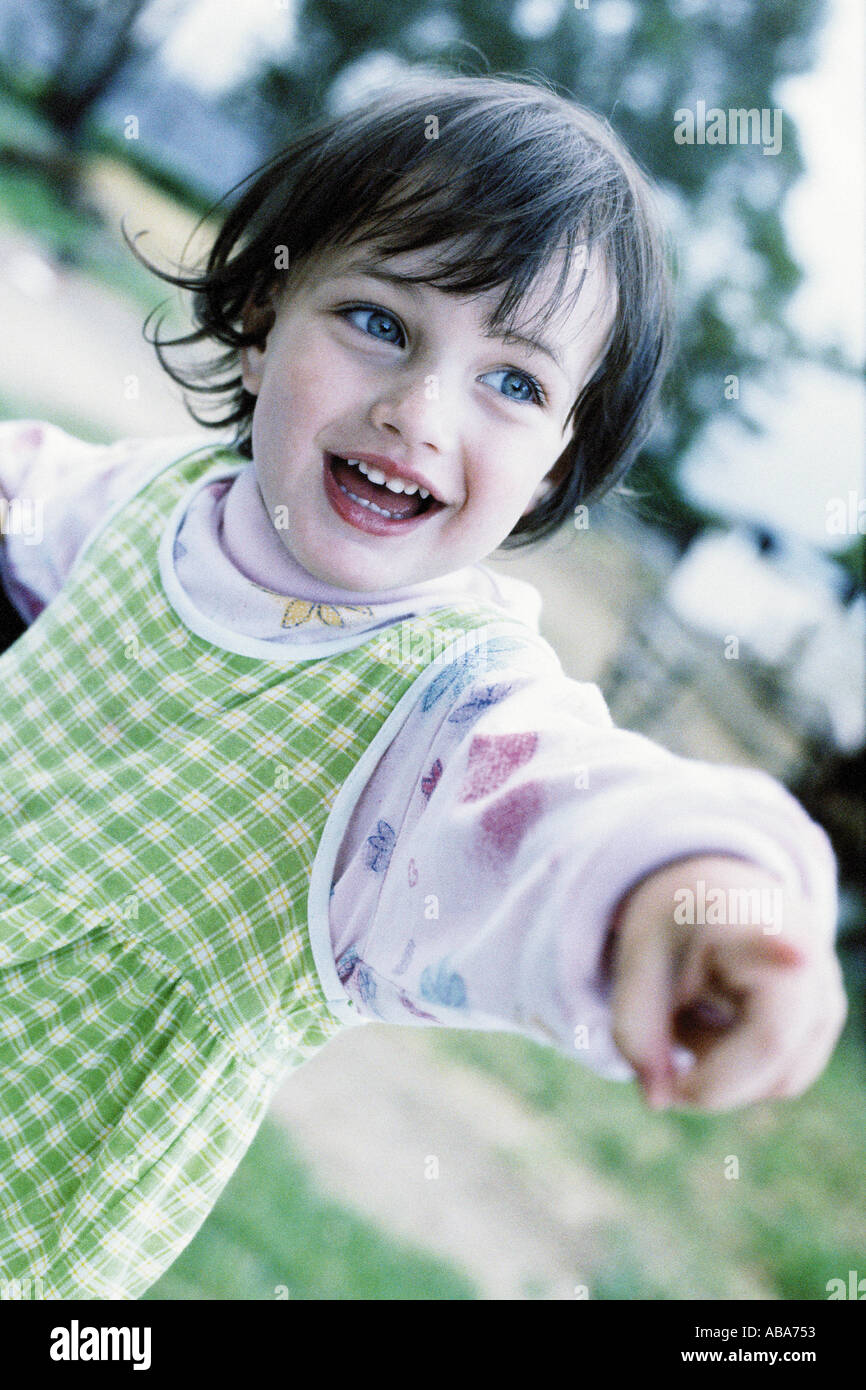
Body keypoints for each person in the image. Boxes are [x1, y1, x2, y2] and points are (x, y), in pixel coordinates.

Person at [0, 72, 846, 1301]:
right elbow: (27, 496)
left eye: (513, 381)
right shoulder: (152, 504)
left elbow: (568, 810)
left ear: (559, 455)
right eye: (379, 323)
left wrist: (696, 882)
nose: (418, 411)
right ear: (261, 309)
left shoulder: (435, 712)